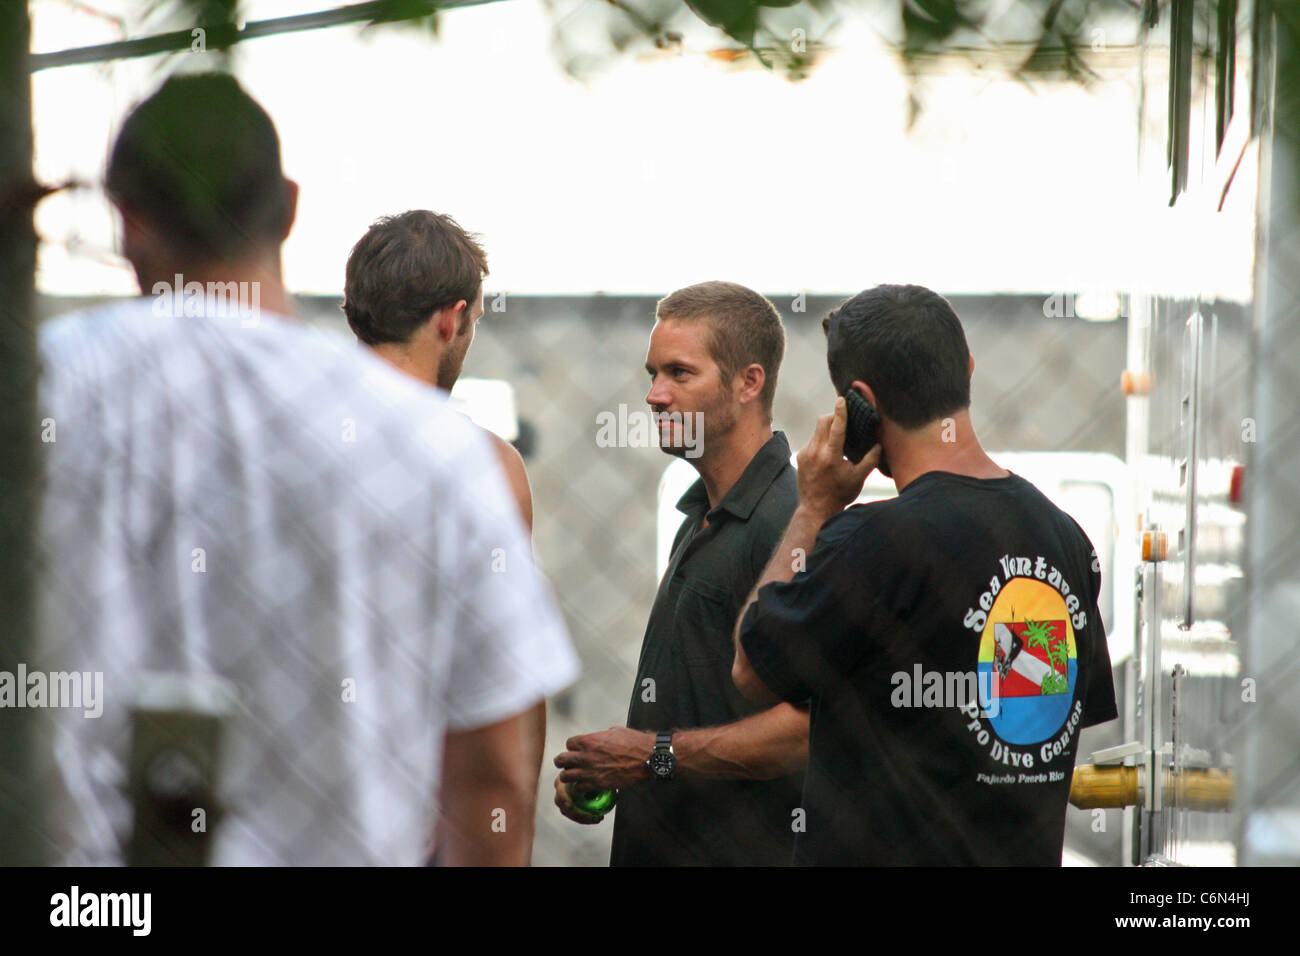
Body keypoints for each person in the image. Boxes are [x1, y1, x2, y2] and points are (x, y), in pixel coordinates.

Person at [35, 72, 579, 866]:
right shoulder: (434, 448)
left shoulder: (38, 395)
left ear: (125, 219)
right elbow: (491, 772)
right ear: (289, 208)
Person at [732, 284, 1119, 865]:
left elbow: (752, 669)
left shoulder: (872, 541)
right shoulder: (1066, 538)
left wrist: (813, 508)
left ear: (859, 403)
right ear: (966, 369)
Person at [552, 281, 806, 866]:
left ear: (749, 382)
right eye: (651, 374)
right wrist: (616, 768)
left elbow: (809, 729)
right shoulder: (702, 514)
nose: (654, 396)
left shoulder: (789, 524)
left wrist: (652, 756)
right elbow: (702, 706)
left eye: (679, 374)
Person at [341, 209, 546, 861]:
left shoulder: (280, 438)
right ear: (451, 320)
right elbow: (508, 676)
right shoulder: (484, 468)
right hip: (426, 811)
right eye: (475, 325)